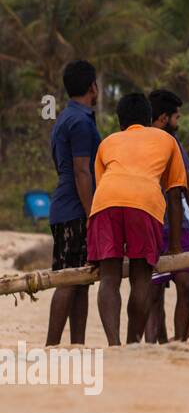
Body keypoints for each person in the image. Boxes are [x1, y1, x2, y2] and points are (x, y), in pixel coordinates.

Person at [86, 92, 188, 345]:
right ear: (150, 117)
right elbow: (175, 195)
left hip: (105, 202)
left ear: (120, 122)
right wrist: (174, 247)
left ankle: (113, 344)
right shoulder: (166, 139)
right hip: (144, 204)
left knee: (108, 278)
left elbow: (103, 188)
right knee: (141, 277)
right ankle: (132, 341)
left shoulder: (107, 142)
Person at [46, 60, 101, 346]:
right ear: (93, 86)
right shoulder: (79, 121)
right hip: (75, 208)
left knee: (82, 279)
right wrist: (92, 214)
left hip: (67, 205)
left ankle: (77, 345)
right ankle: (52, 346)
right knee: (68, 278)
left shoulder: (66, 118)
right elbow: (82, 171)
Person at [144, 89, 189, 344]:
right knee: (153, 292)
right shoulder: (143, 142)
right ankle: (155, 343)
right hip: (155, 224)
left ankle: (177, 342)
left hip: (179, 226)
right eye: (177, 118)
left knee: (187, 283)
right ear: (164, 118)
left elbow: (187, 184)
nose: (178, 123)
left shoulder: (174, 144)